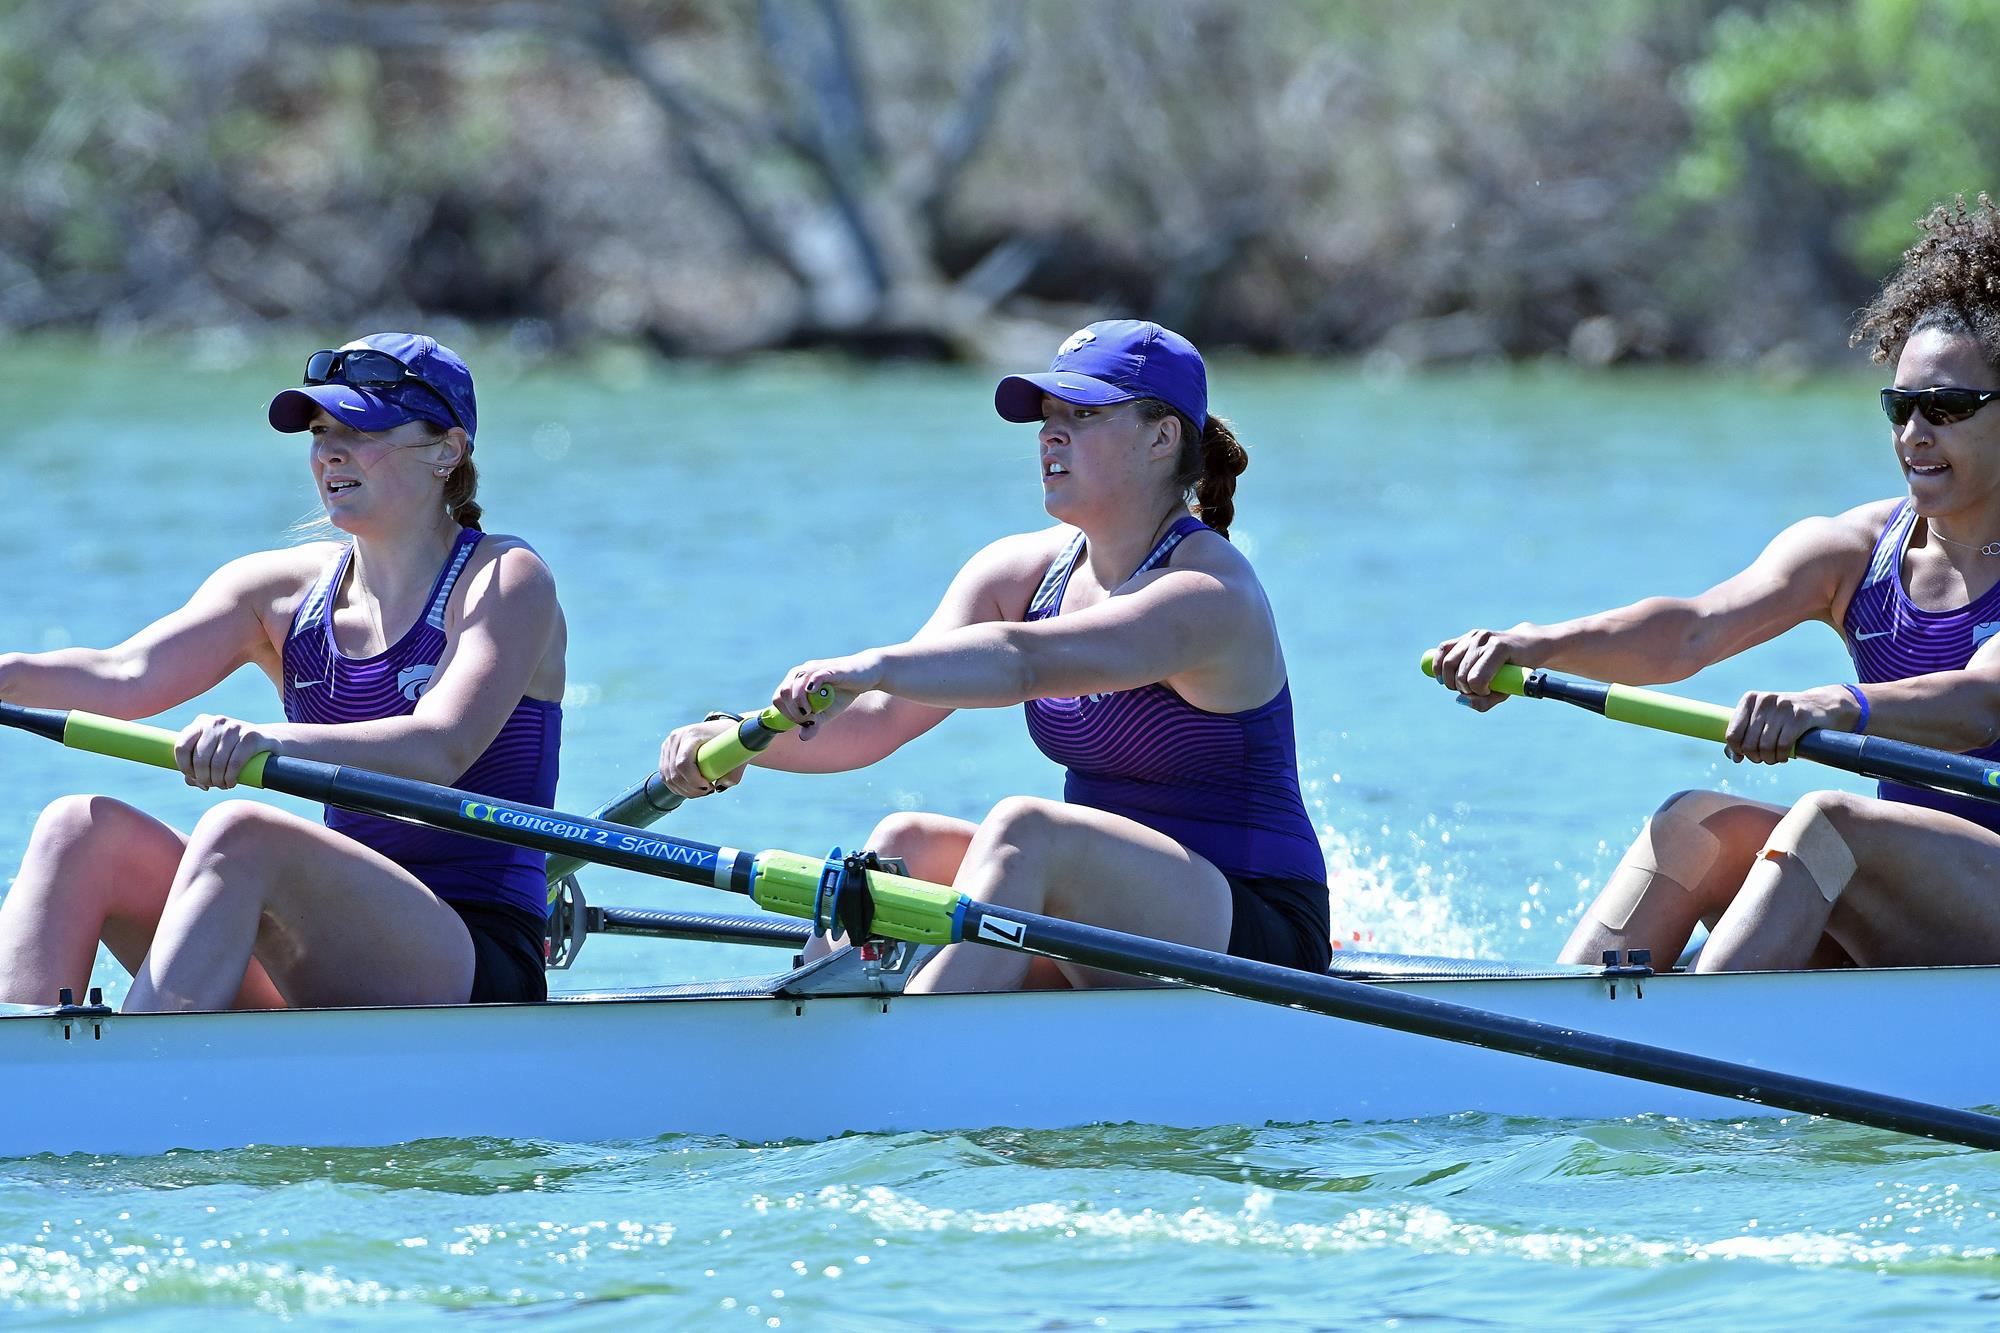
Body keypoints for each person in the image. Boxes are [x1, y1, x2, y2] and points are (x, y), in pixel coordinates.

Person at [658, 319, 1330, 992]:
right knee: (902, 845)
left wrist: (873, 663)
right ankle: (826, 1030)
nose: (1050, 435)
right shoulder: (1018, 573)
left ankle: (910, 1056)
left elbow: (1024, 664)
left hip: (1257, 927)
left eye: (1085, 414)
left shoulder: (1210, 592)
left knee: (1024, 828)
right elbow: (875, 718)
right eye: (1048, 416)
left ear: (1162, 436)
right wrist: (736, 737)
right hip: (1116, 917)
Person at [1433, 195, 2000, 973]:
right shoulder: (1852, 551)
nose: (1913, 434)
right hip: (1907, 897)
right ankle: (1554, 1034)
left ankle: (1690, 1051)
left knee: (1828, 819)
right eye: (1899, 407)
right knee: (1693, 823)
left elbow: (1980, 702)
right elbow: (1692, 630)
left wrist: (1834, 704)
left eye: (1948, 407)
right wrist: (1537, 643)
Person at [0, 333, 565, 1012]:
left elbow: (439, 745)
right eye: (323, 431)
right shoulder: (276, 594)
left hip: (472, 953)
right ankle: (25, 1075)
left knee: (240, 832)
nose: (329, 451)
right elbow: (122, 674)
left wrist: (269, 740)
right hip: (331, 952)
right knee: (77, 828)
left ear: (446, 449)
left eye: (361, 430)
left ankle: (136, 1081)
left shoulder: (504, 577)